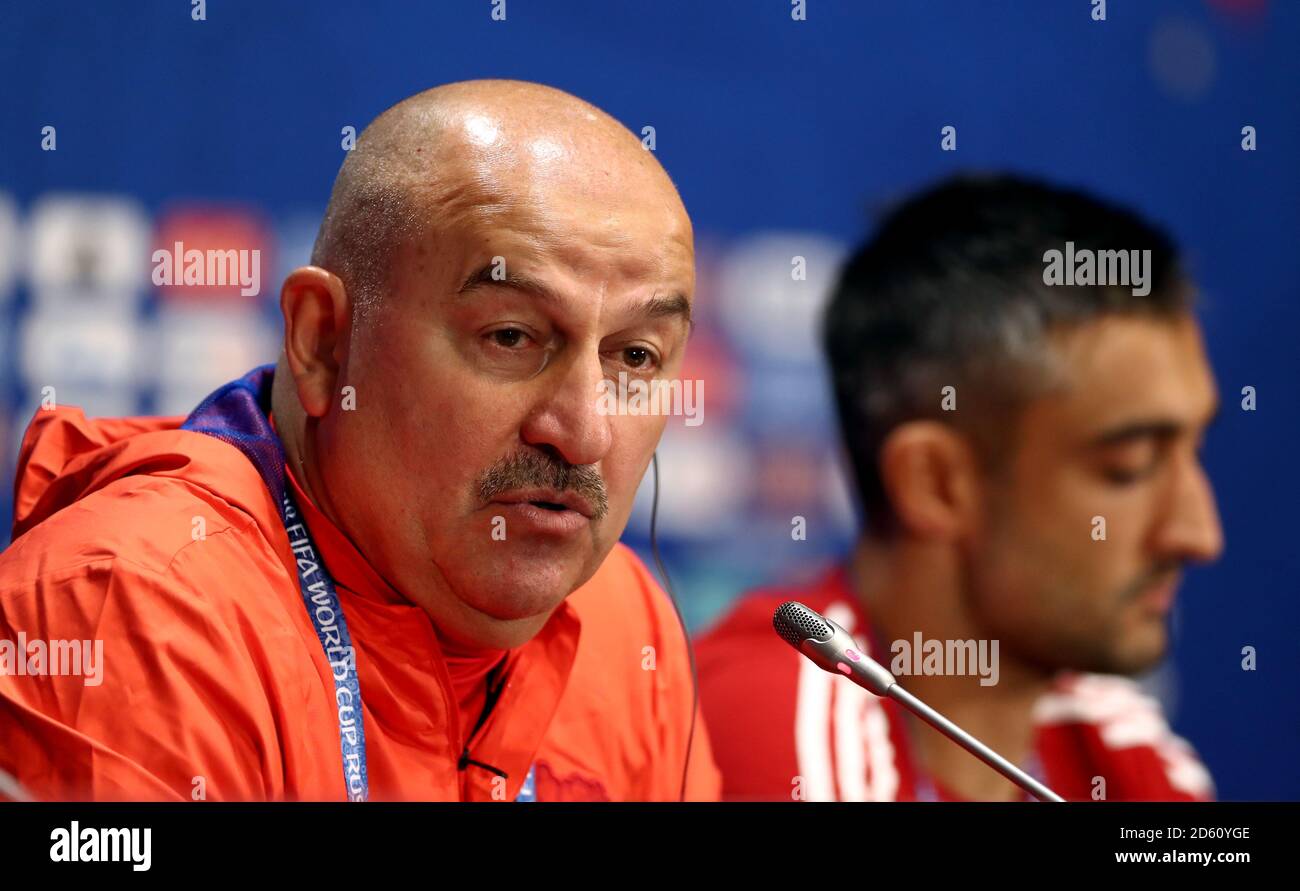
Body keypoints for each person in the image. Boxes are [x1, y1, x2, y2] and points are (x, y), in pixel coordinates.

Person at [0, 79, 719, 802]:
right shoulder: (133, 615)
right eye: (511, 336)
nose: (585, 432)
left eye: (634, 357)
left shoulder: (627, 625)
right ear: (322, 343)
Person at [697, 175, 1222, 802]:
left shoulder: (1116, 740)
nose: (1199, 534)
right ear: (937, 484)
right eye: (1129, 466)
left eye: (1194, 452)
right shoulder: (774, 723)